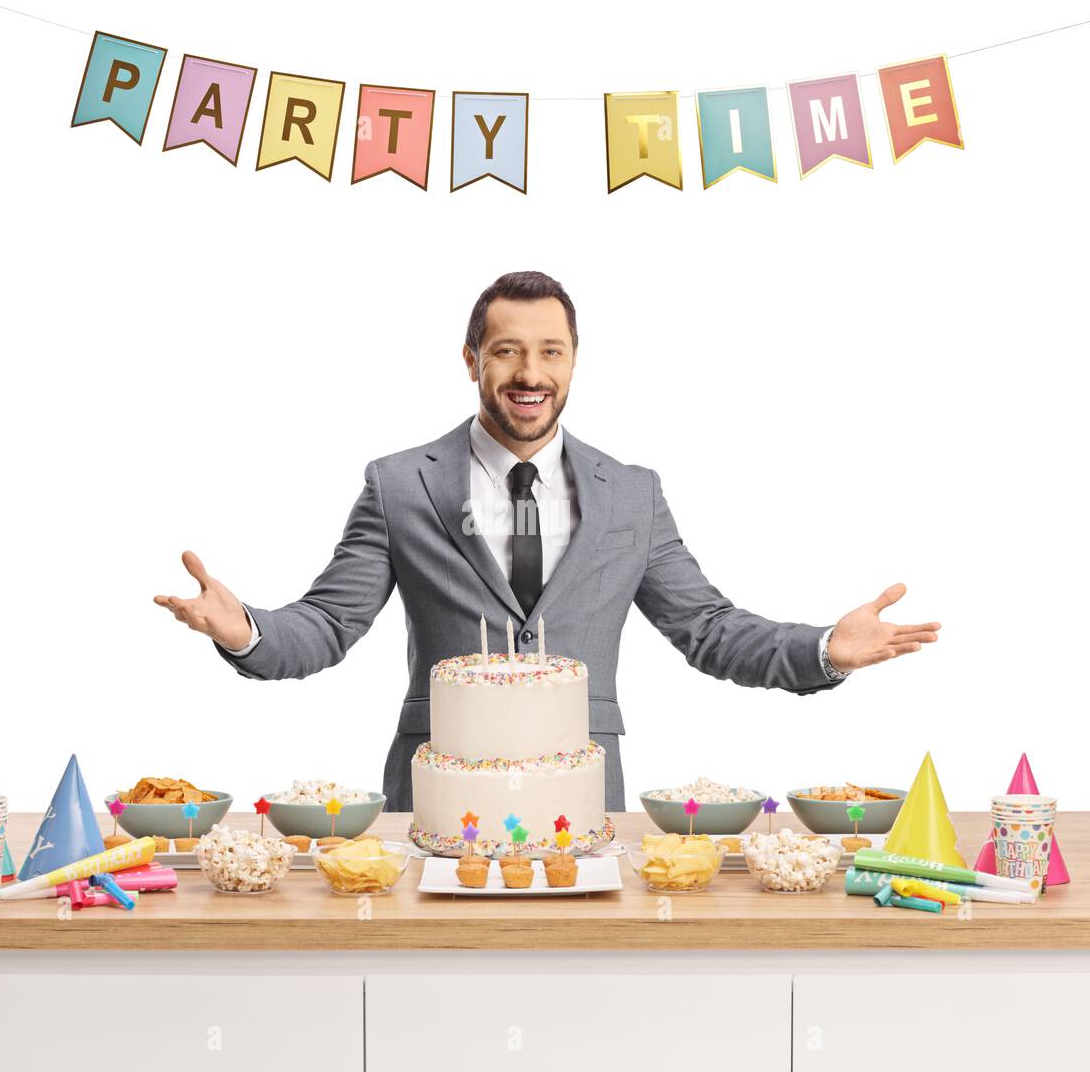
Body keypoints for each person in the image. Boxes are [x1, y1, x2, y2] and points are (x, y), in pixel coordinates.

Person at [155, 271, 940, 810]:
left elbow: (707, 630)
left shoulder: (632, 494)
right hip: (436, 800)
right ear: (472, 361)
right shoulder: (399, 485)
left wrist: (825, 648)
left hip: (581, 799)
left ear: (572, 363)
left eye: (549, 351)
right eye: (507, 350)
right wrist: (246, 629)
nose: (530, 371)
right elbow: (328, 625)